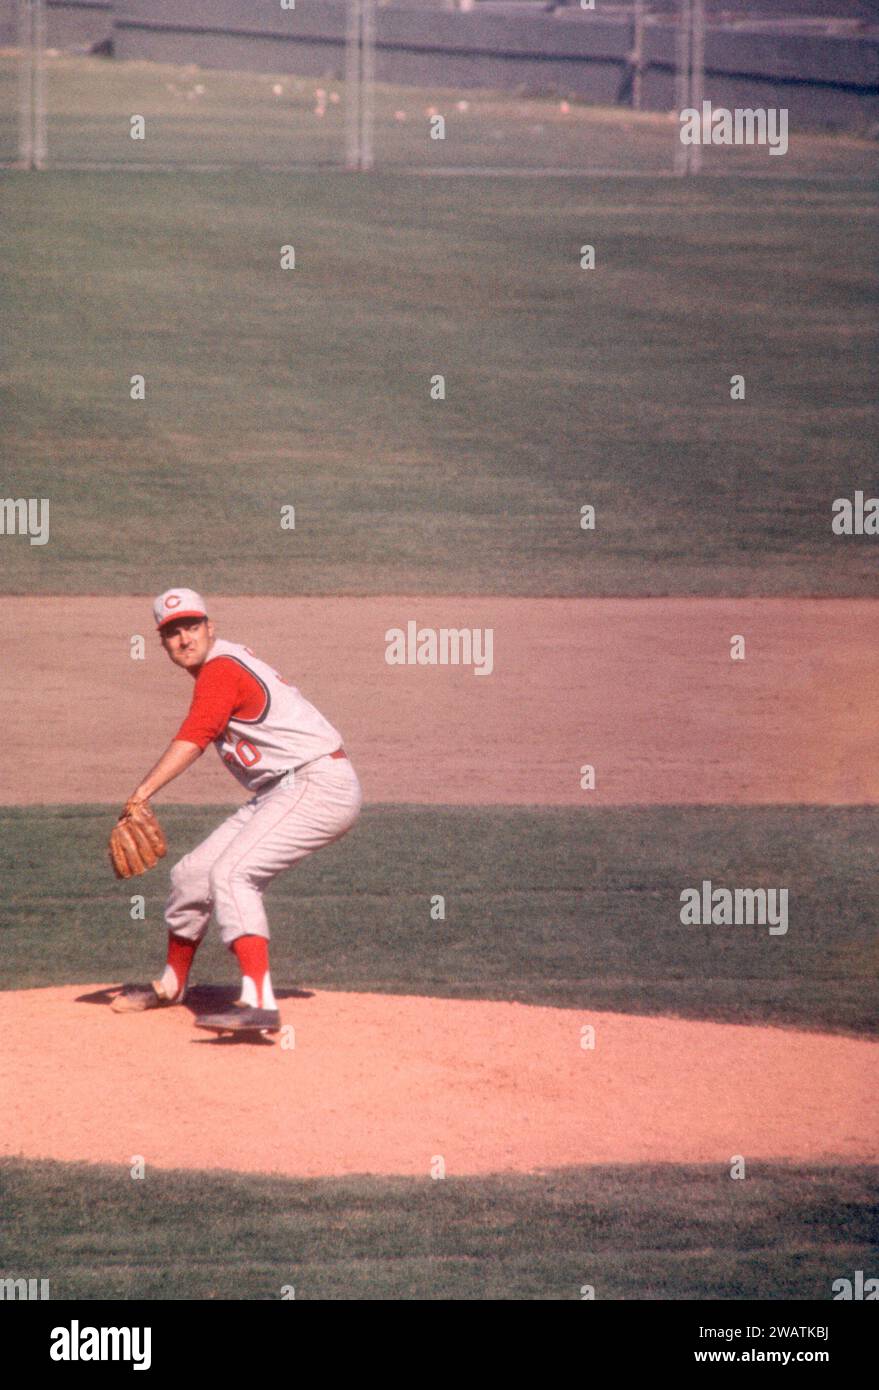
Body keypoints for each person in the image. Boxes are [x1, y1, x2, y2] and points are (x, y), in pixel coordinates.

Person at [112, 587, 362, 1034]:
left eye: (191, 626)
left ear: (211, 627)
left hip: (318, 783)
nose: (184, 639)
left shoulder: (220, 669)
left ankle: (259, 1002)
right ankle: (173, 984)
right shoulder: (219, 665)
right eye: (172, 633)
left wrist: (142, 793)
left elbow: (196, 734)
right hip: (282, 789)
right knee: (192, 875)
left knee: (232, 874)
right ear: (163, 643)